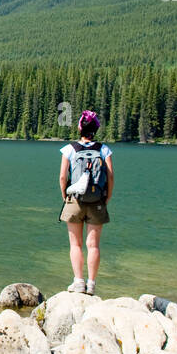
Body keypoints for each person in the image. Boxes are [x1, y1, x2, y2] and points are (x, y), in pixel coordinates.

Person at [58, 110, 114, 295]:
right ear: (95, 129)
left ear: (80, 128)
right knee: (94, 245)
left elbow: (62, 176)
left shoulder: (70, 149)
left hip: (75, 200)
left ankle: (78, 282)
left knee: (76, 244)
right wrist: (107, 197)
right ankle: (91, 284)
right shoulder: (103, 149)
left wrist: (65, 197)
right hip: (97, 200)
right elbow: (111, 176)